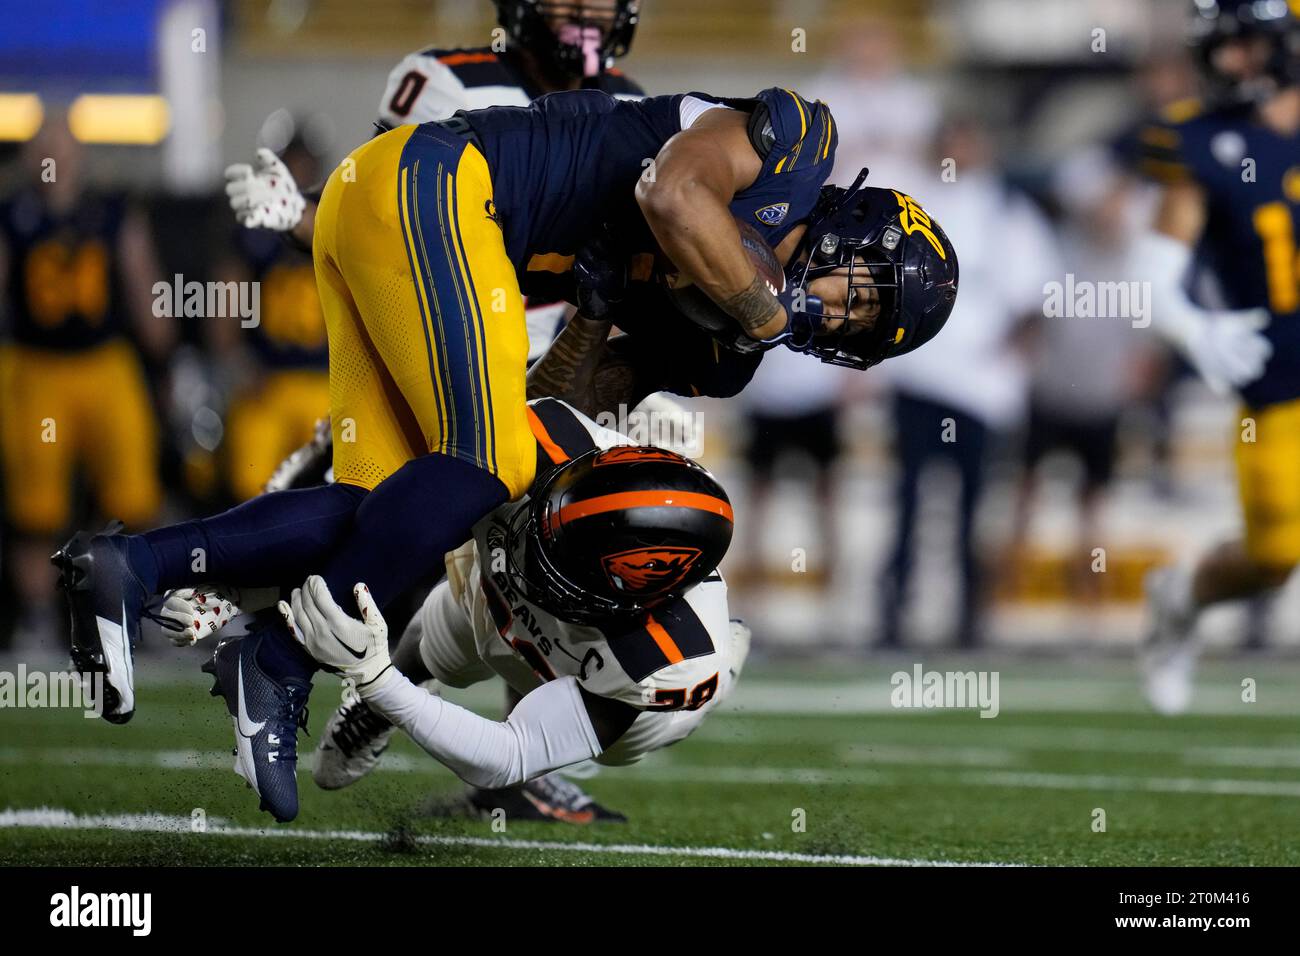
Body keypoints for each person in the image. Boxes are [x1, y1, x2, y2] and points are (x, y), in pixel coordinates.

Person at [53, 83, 852, 824]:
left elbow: (556, 404)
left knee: (394, 498)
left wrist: (599, 310)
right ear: (847, 231)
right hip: (437, 186)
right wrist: (774, 314)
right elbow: (675, 196)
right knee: (490, 462)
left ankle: (137, 566)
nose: (837, 312)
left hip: (383, 201)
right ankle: (276, 659)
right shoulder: (797, 144)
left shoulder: (727, 332)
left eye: (856, 326)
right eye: (857, 290)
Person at [174, 399, 746, 822]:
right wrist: (239, 586)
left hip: (609, 696)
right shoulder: (540, 437)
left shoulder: (669, 656)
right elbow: (379, 502)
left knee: (697, 690)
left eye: (558, 559)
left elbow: (507, 756)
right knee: (453, 618)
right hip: (493, 598)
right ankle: (397, 690)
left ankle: (734, 653)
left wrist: (375, 681)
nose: (536, 550)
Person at [1136, 1, 1300, 713]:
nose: (1232, 64)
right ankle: (1182, 597)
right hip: (1276, 378)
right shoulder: (1200, 140)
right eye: (1221, 49)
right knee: (1272, 559)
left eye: (1246, 46)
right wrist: (1195, 330)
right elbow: (1152, 276)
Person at [875, 118, 1056, 648]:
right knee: (907, 499)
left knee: (972, 507)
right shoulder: (916, 205)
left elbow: (1034, 299)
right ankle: (894, 610)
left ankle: (970, 614)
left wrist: (1009, 358)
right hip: (919, 377)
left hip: (979, 389)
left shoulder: (1006, 212)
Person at [0, 116, 171, 650]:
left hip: (103, 363)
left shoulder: (112, 212)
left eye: (61, 148)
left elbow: (143, 284)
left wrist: (162, 350)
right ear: (30, 159)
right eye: (44, 149)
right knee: (35, 510)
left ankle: (132, 608)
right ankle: (36, 618)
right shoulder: (13, 217)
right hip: (36, 365)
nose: (53, 160)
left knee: (134, 496)